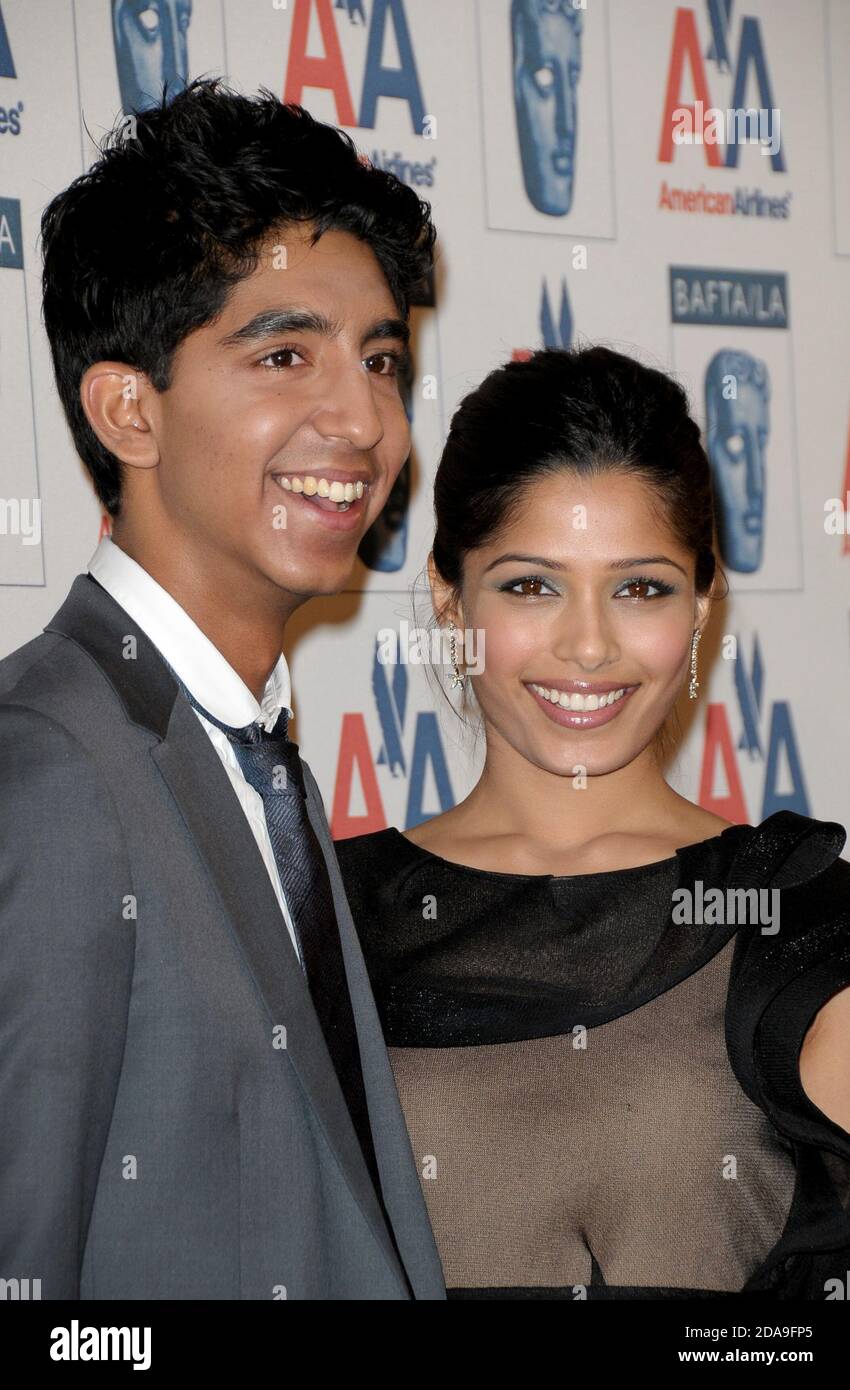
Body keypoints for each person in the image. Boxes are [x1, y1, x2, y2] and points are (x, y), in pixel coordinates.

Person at [0, 77, 446, 1301]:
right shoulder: (48, 769)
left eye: (381, 358)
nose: (360, 421)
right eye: (285, 353)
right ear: (127, 410)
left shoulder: (252, 753)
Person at [335, 344, 850, 1300]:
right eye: (532, 585)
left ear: (701, 607)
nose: (587, 645)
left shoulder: (807, 918)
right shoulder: (324, 915)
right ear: (452, 603)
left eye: (640, 588)